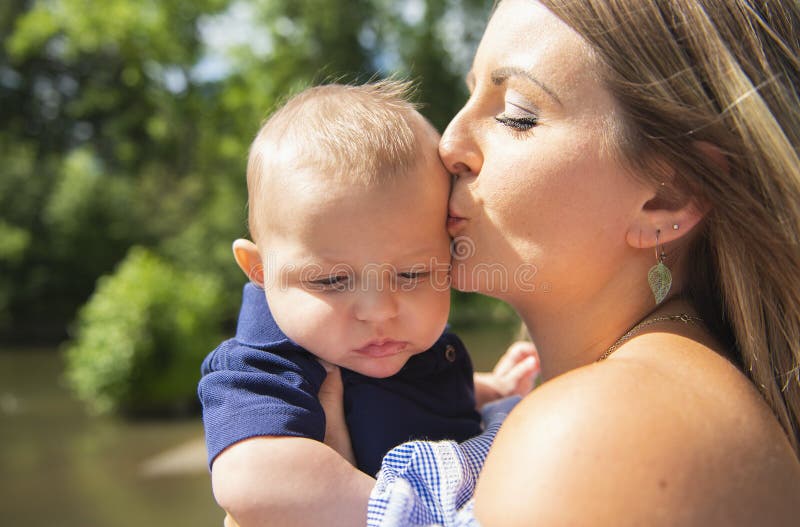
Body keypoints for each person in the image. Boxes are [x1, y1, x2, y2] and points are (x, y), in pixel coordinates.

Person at [226, 0, 800, 525]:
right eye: (469, 94)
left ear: (665, 197)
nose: (448, 143)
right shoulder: (658, 396)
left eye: (517, 114)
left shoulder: (595, 437)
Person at [198, 81, 538, 526]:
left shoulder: (419, 345)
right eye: (332, 279)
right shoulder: (268, 366)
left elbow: (425, 396)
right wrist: (405, 513)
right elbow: (250, 480)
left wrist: (486, 389)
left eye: (413, 274)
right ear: (260, 272)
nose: (379, 309)